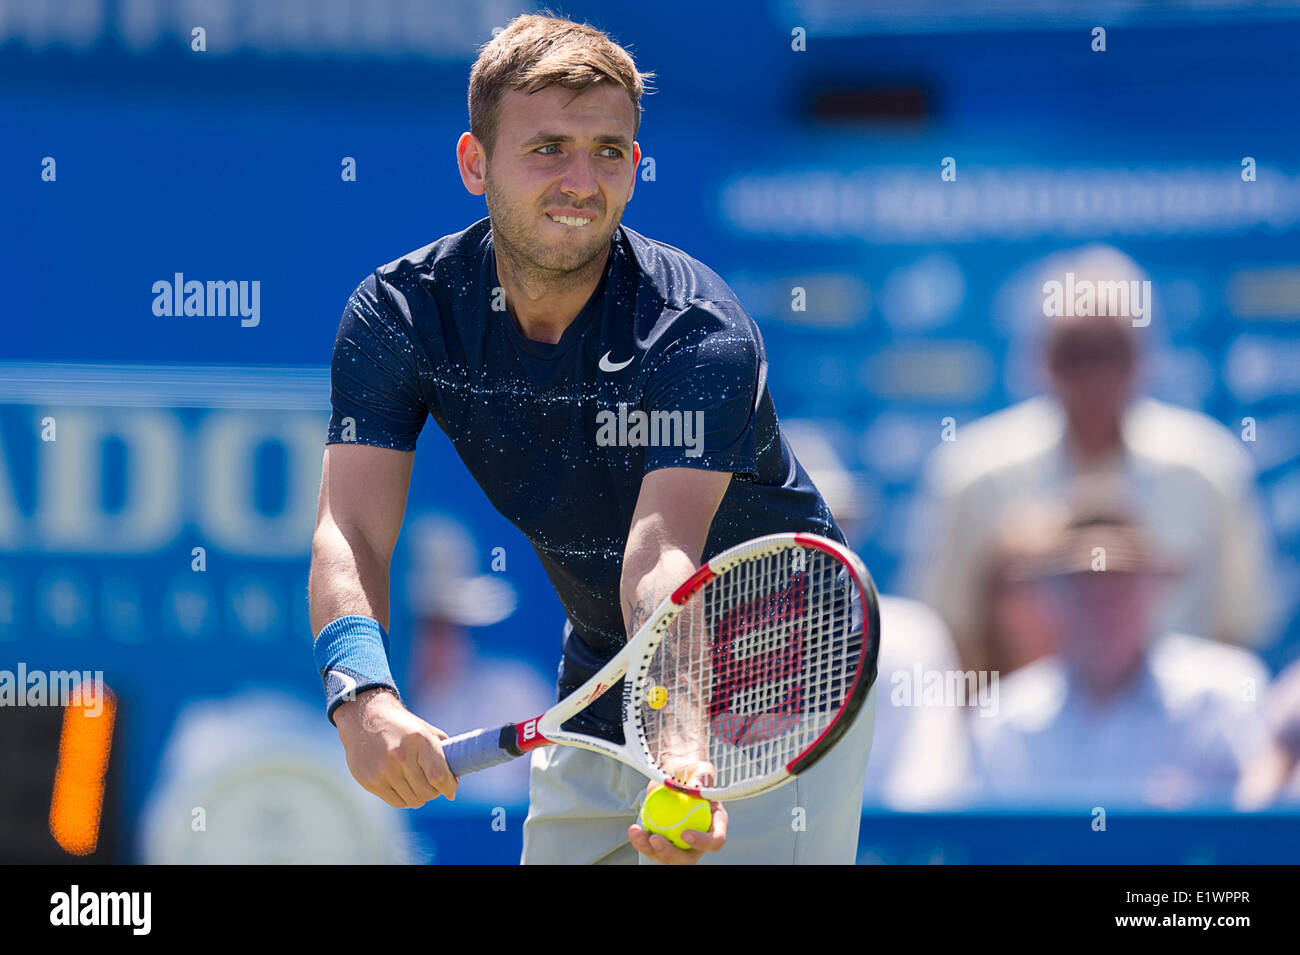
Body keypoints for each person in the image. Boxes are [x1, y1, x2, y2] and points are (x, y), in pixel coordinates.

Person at [307, 13, 875, 865]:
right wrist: (363, 695)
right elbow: (350, 529)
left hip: (776, 676)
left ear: (635, 170)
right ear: (475, 163)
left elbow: (662, 554)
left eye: (608, 151)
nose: (582, 180)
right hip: (608, 671)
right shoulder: (400, 316)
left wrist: (682, 745)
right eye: (548, 149)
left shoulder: (695, 328)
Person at [907, 245, 1276, 670]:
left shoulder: (1210, 470)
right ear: (1038, 358)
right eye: (1075, 352)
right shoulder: (971, 474)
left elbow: (1237, 633)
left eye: (1111, 351)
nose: (1094, 374)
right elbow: (950, 639)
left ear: (1146, 356)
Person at [969, 504, 1269, 809]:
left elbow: (1259, 831)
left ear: (1154, 592)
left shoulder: (1224, 696)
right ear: (1053, 599)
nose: (1104, 609)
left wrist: (1197, 815)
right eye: (1086, 589)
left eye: (1120, 588)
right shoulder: (1003, 721)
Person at [402, 514, 553, 806]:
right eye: (421, 626)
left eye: (449, 626)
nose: (441, 645)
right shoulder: (342, 709)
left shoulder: (515, 692)